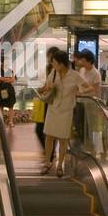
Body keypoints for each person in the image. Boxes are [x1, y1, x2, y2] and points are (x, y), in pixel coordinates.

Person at [40, 48, 81, 177]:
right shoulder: (54, 73)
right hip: (53, 109)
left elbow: (86, 87)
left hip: (66, 110)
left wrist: (78, 93)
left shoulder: (75, 75)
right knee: (49, 136)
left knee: (63, 139)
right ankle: (47, 162)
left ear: (62, 64)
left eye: (54, 63)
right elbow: (45, 88)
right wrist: (48, 87)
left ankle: (59, 166)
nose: (53, 65)